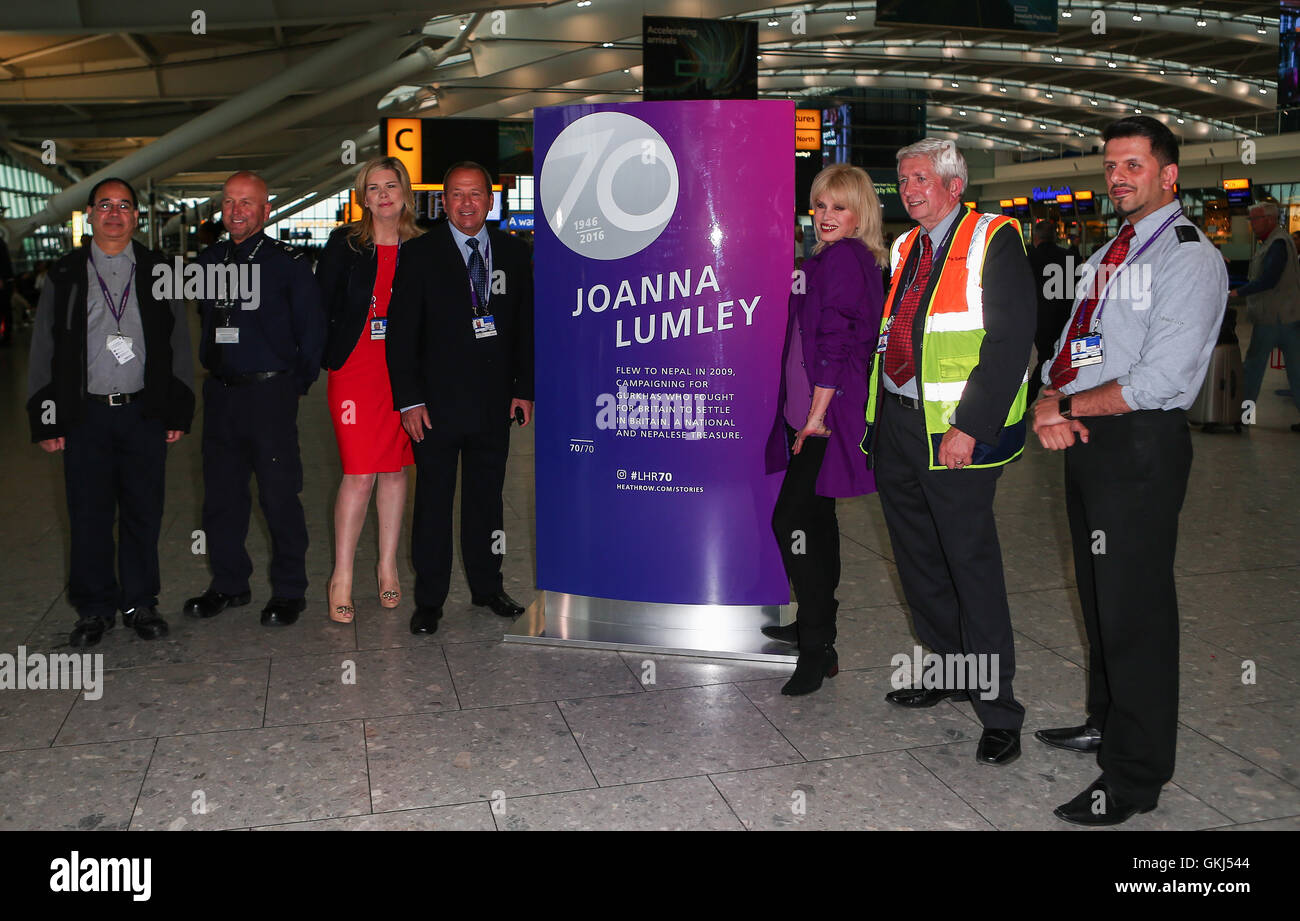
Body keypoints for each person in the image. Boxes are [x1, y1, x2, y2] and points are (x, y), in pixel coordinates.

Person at [1031, 116, 1227, 826]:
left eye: (1134, 165)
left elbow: (1161, 379)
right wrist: (1057, 399)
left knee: (1135, 609)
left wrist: (1063, 401)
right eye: (1111, 165)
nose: (1117, 177)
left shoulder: (1186, 256)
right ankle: (1105, 720)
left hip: (1139, 444)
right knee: (1099, 591)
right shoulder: (1111, 248)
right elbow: (1081, 338)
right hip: (1090, 433)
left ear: (1169, 175)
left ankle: (1135, 774)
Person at [860, 138, 1035, 766]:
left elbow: (1011, 342)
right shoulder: (908, 247)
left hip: (953, 432)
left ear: (953, 185)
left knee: (970, 564)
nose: (908, 190)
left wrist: (969, 425)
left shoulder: (995, 238)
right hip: (899, 426)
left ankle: (998, 709)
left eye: (920, 180)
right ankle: (948, 669)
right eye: (903, 180)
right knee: (919, 561)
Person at [26, 178, 194, 646]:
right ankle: (94, 608)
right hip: (85, 416)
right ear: (90, 213)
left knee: (144, 511)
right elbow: (43, 348)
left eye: (124, 206)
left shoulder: (160, 269)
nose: (115, 213)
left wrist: (176, 411)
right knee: (88, 514)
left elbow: (177, 342)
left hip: (143, 412)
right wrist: (47, 417)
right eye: (105, 205)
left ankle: (140, 602)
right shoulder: (64, 274)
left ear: (137, 216)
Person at [386, 162, 534, 635]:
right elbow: (401, 335)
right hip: (435, 406)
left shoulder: (514, 252)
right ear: (442, 202)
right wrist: (409, 401)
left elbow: (525, 329)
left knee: (487, 501)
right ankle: (429, 599)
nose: (466, 203)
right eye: (456, 194)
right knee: (433, 501)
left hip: (493, 404)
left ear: (490, 201)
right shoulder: (420, 254)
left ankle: (488, 587)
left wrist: (524, 390)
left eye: (476, 194)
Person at [761, 164, 886, 695]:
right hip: (806, 411)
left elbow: (835, 342)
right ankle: (818, 628)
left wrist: (814, 417)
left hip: (825, 418)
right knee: (817, 520)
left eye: (839, 206)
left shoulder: (844, 259)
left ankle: (816, 648)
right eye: (820, 205)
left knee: (793, 519)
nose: (826, 215)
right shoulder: (825, 259)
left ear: (861, 213)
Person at [183, 171, 326, 627]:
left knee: (279, 495)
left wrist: (290, 386)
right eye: (229, 202)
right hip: (221, 394)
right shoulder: (208, 261)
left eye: (248, 203)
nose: (237, 210)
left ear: (266, 211)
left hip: (270, 395)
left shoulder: (288, 264)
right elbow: (208, 319)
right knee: (221, 498)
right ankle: (228, 583)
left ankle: (289, 590)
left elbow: (313, 332)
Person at [317, 157, 422, 623]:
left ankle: (387, 566)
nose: (383, 194)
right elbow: (321, 306)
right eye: (373, 187)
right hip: (356, 370)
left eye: (391, 184)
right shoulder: (345, 244)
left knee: (397, 470)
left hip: (404, 373)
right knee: (360, 471)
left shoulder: (422, 246)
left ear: (405, 191)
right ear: (363, 197)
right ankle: (341, 574)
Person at [1229, 202, 1300, 432]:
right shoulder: (1276, 241)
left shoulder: (1277, 244)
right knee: (1296, 370)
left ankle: (1243, 417)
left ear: (1269, 219)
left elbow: (1269, 279)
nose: (1251, 225)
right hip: (1287, 316)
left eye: (1254, 220)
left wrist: (1238, 292)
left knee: (1253, 369)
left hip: (1273, 318)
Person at [1027, 220, 1074, 402]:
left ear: (1035, 237)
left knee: (1040, 359)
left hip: (1037, 320)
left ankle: (1028, 399)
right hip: (1063, 319)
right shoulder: (1068, 256)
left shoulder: (1029, 258)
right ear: (1055, 237)